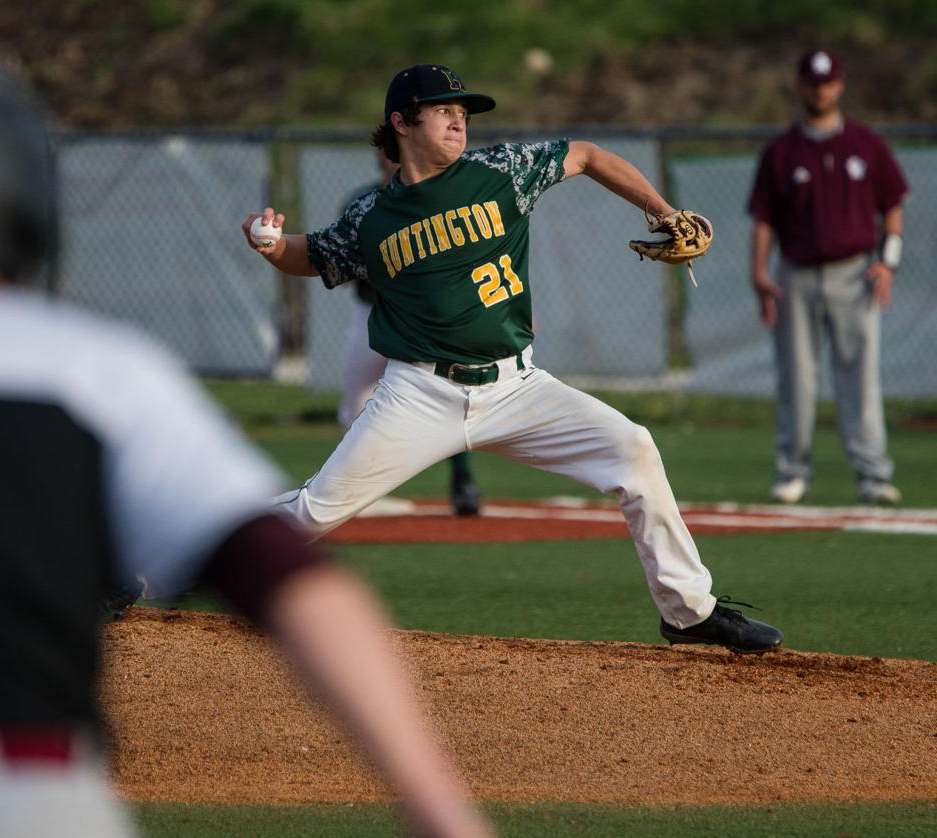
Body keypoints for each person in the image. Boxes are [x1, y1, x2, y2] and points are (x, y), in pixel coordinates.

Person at [0, 50, 493, 838]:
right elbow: (293, 583)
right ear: (20, 200)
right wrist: (436, 805)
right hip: (32, 796)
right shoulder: (86, 366)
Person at [243, 63, 783, 655]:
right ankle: (157, 559)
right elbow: (313, 255)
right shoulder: (371, 215)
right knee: (316, 511)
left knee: (633, 449)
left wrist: (660, 210)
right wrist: (271, 245)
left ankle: (688, 612)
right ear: (401, 121)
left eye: (463, 112)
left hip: (517, 388)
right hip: (420, 394)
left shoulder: (498, 170)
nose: (459, 121)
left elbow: (587, 155)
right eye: (444, 110)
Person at [749, 48, 908, 506]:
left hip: (854, 272)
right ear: (800, 85)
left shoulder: (864, 143)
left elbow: (892, 205)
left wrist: (889, 261)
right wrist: (760, 273)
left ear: (839, 85)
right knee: (796, 377)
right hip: (796, 274)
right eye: (812, 83)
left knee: (860, 376)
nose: (820, 90)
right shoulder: (782, 151)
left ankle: (873, 474)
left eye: (828, 82)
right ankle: (792, 470)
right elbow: (764, 220)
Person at [340, 150, 482, 515]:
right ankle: (351, 487)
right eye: (389, 155)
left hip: (421, 318)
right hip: (371, 313)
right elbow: (339, 265)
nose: (395, 162)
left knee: (449, 397)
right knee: (355, 402)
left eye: (400, 155)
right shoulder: (361, 204)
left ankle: (462, 480)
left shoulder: (438, 201)